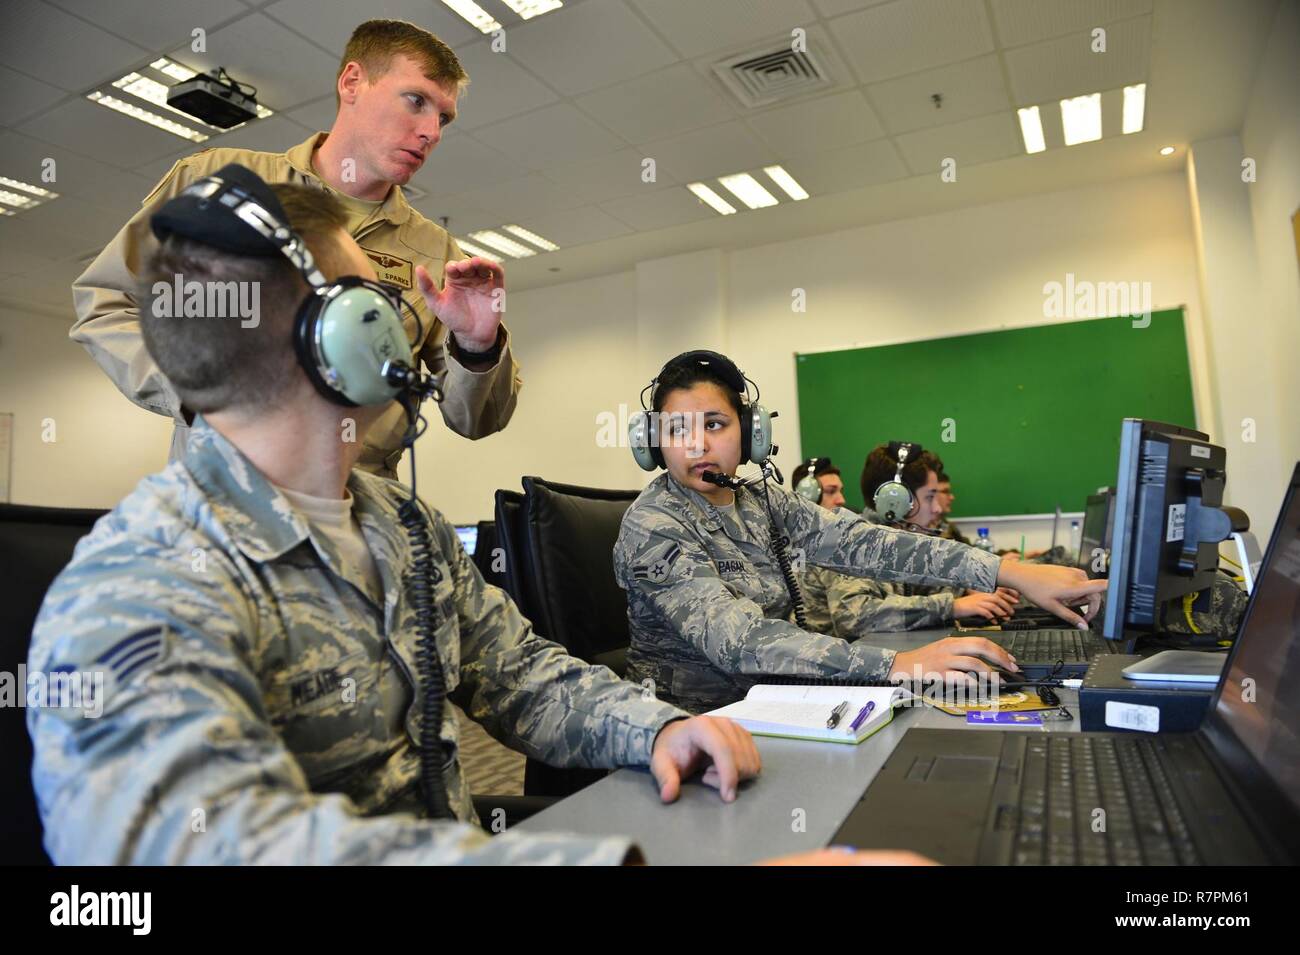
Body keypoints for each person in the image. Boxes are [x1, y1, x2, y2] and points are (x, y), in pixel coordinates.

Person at [27, 170, 765, 866]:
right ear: (335, 334)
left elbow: (519, 674)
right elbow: (203, 845)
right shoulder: (144, 578)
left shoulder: (399, 520)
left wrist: (661, 726)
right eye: (372, 302)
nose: (399, 325)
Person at [70, 18, 520, 479]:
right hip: (223, 496)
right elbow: (107, 303)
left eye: (443, 117)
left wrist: (477, 346)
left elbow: (475, 420)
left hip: (356, 508)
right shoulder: (216, 181)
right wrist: (196, 393)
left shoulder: (436, 251)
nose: (432, 131)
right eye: (416, 101)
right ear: (352, 83)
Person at [613, 351, 1107, 715]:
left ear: (749, 432)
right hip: (693, 726)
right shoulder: (653, 524)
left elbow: (863, 543)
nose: (696, 443)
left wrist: (1007, 571)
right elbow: (739, 641)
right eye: (677, 430)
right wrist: (897, 664)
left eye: (715, 424)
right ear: (654, 442)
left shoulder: (760, 498)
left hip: (774, 702)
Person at [801, 446, 1016, 637]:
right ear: (895, 501)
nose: (937, 509)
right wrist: (953, 607)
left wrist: (968, 589)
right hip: (832, 677)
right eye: (930, 497)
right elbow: (854, 616)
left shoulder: (897, 543)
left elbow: (922, 588)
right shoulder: (852, 542)